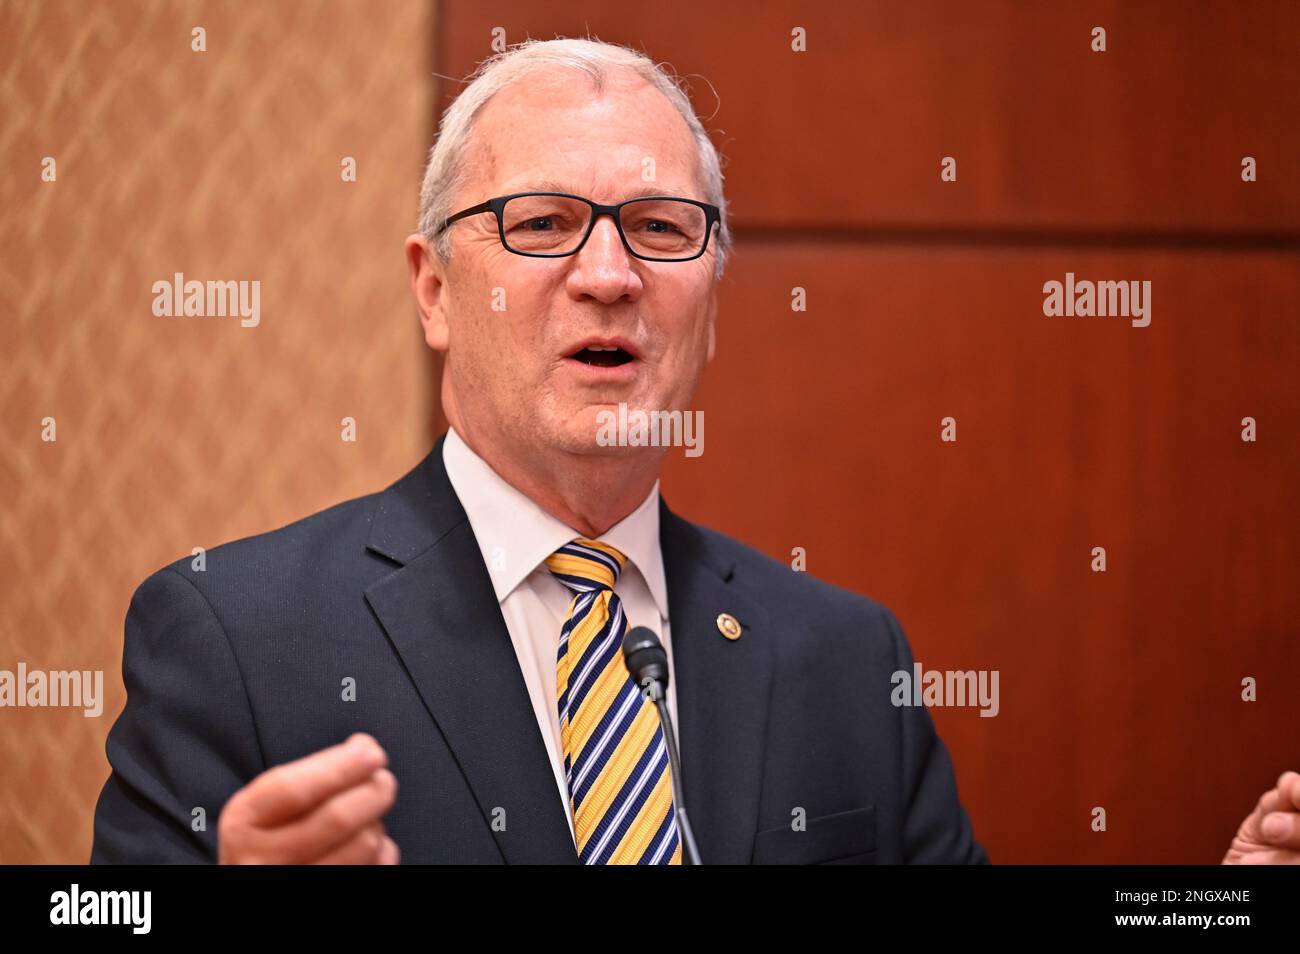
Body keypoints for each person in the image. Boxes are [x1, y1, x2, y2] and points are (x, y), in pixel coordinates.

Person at [90, 38, 1299, 865]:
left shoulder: (842, 655)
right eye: (544, 223)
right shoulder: (231, 635)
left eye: (662, 231)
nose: (609, 276)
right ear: (434, 289)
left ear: (712, 299)